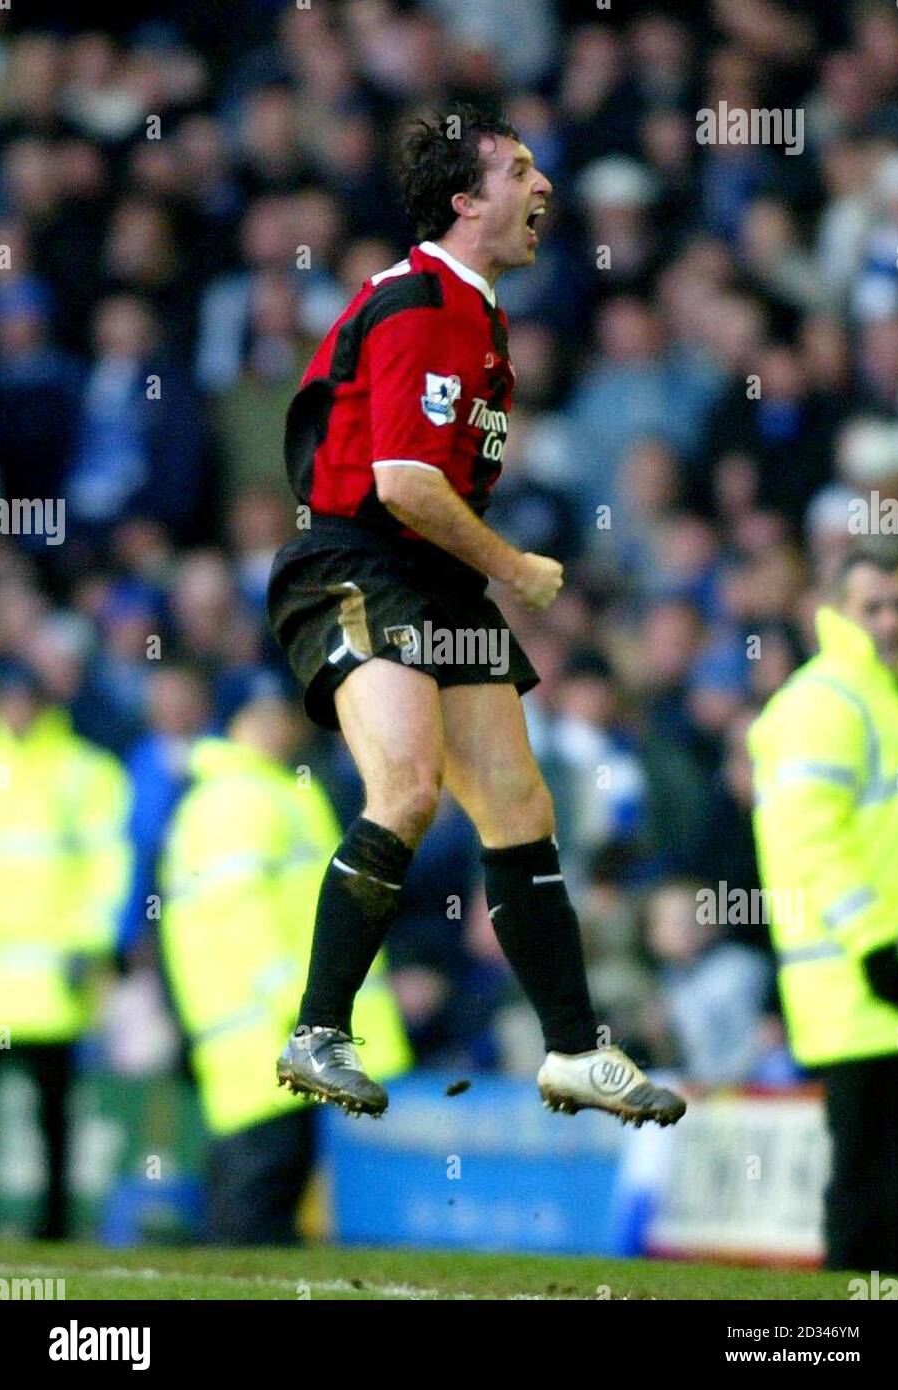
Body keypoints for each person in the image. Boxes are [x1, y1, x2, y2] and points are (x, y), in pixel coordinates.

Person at [266, 103, 685, 1128]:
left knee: (518, 805)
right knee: (405, 787)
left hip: (433, 580)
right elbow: (403, 479)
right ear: (464, 198)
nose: (544, 187)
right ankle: (318, 1027)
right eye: (520, 171)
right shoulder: (419, 301)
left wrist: (481, 573)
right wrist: (516, 569)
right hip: (354, 559)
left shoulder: (479, 312)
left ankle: (575, 1050)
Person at [159, 695, 410, 1244]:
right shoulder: (236, 798)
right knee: (254, 1201)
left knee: (269, 1195)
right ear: (234, 725)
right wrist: (295, 1006)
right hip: (263, 1033)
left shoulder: (273, 792)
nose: (277, 729)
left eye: (281, 716)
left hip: (273, 1032)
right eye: (261, 716)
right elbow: (236, 910)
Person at [749, 545, 898, 1273]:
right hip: (855, 985)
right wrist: (875, 946)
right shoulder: (821, 703)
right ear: (838, 610)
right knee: (872, 1188)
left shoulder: (889, 693)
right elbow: (809, 839)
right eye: (872, 606)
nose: (888, 621)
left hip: (888, 980)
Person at [0, 659, 130, 1238]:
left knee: (54, 1111)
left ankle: (53, 1224)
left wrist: (91, 942)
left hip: (55, 977)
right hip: (23, 974)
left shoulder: (84, 771)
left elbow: (111, 865)